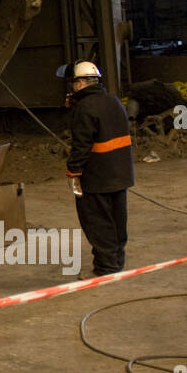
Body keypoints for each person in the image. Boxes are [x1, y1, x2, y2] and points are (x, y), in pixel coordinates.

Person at [62, 61, 133, 276]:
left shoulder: (85, 107)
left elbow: (82, 144)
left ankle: (105, 268)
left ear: (81, 83)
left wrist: (73, 171)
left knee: (97, 223)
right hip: (120, 174)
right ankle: (117, 261)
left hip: (97, 177)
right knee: (117, 220)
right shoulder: (113, 100)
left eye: (74, 83)